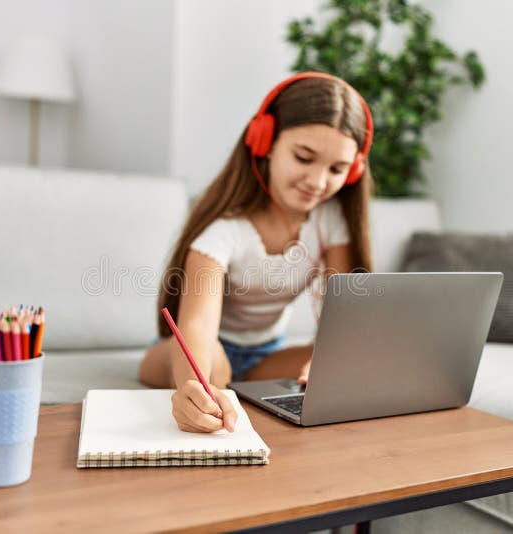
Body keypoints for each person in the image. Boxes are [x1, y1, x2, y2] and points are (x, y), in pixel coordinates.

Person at [138, 72, 375, 433]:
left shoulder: (333, 221)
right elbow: (197, 327)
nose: (317, 181)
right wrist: (195, 386)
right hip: (194, 348)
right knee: (215, 367)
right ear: (264, 141)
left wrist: (330, 365)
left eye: (337, 169)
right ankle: (208, 386)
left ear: (354, 170)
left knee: (347, 362)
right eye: (303, 157)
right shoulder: (225, 231)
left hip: (266, 356)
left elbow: (341, 315)